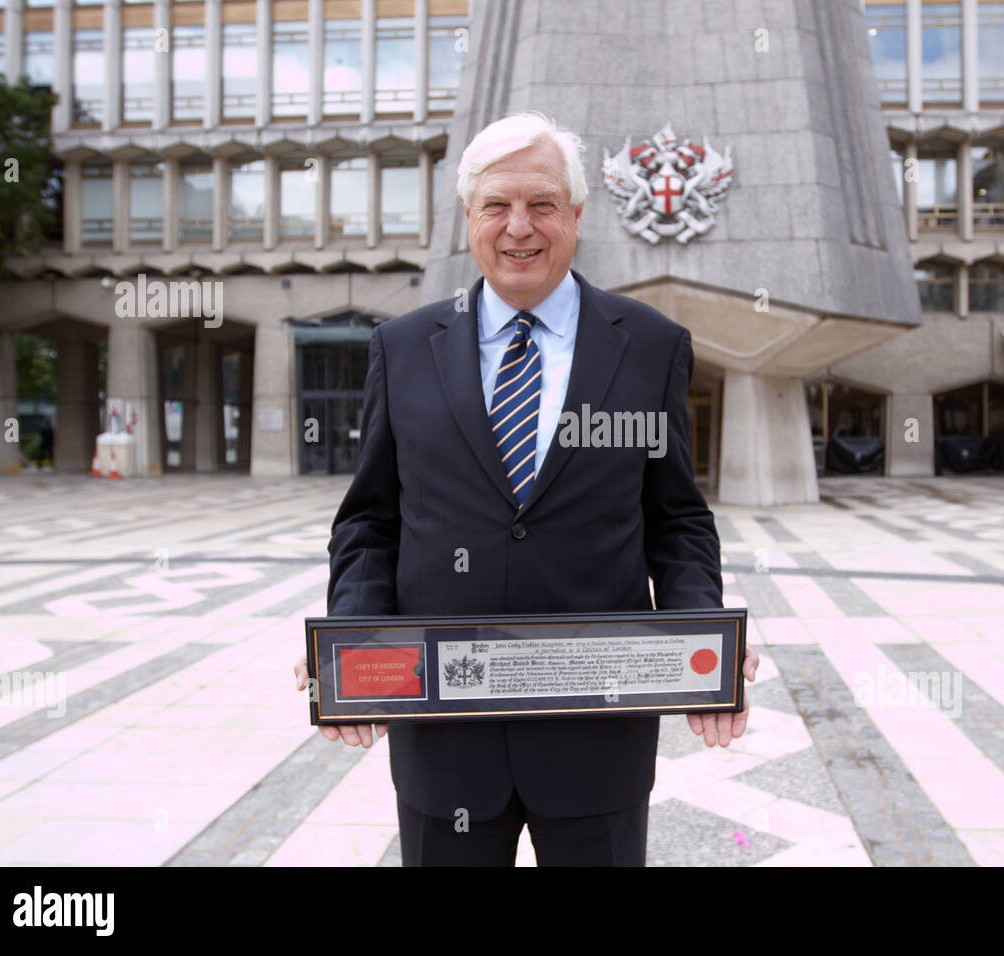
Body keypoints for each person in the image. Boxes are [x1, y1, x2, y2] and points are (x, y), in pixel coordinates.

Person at [294, 112, 758, 866]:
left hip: (596, 740)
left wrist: (701, 632)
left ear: (576, 215)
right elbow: (370, 522)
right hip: (443, 742)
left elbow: (675, 522)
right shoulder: (404, 348)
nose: (520, 228)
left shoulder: (649, 346)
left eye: (542, 204)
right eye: (497, 206)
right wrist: (353, 636)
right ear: (469, 217)